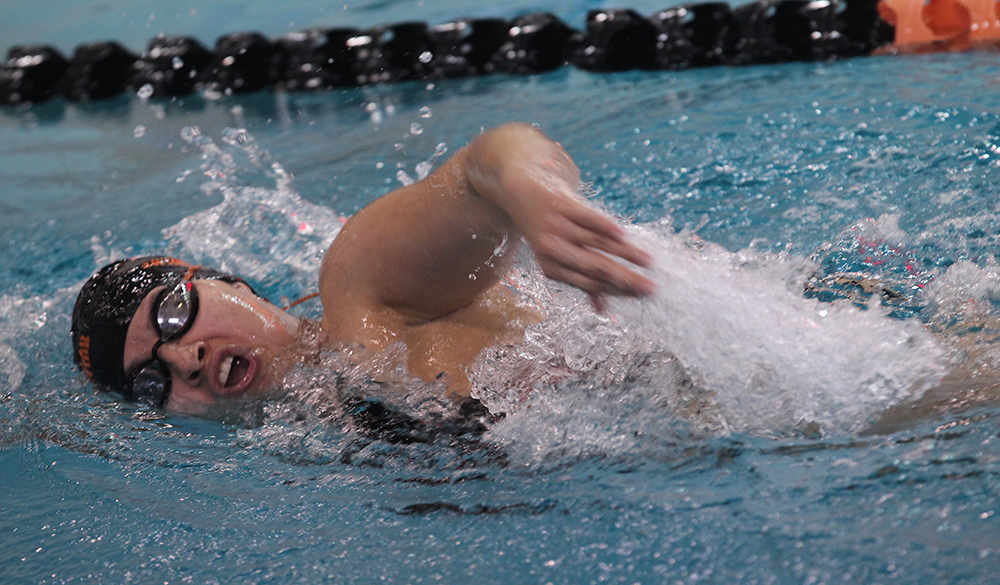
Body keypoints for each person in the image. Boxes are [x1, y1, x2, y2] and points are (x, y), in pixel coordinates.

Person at [71, 122, 656, 415]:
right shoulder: (321, 444)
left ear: (227, 281)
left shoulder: (359, 287)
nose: (182, 359)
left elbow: (487, 164)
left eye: (175, 314)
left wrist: (537, 198)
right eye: (150, 383)